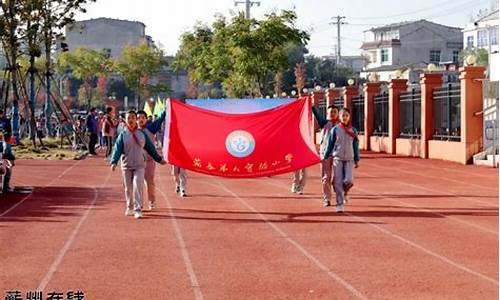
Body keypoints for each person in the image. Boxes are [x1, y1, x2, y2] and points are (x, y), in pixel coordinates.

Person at [110, 111, 166, 219]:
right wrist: (113, 161)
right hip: (126, 166)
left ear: (135, 120)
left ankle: (138, 209)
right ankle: (130, 207)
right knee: (128, 188)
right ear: (125, 120)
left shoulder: (142, 134)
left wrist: (159, 159)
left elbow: (150, 148)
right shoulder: (123, 134)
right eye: (128, 118)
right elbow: (117, 149)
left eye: (132, 117)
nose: (130, 120)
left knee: (138, 185)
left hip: (140, 165)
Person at [323, 108, 360, 213]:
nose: (345, 118)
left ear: (349, 117)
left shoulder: (353, 131)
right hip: (337, 159)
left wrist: (357, 159)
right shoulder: (335, 130)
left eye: (346, 115)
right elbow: (330, 144)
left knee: (349, 181)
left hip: (349, 159)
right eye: (343, 116)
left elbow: (355, 146)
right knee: (338, 182)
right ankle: (339, 203)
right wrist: (326, 156)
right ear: (340, 117)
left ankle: (345, 193)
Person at [137, 109, 166, 209]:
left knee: (150, 181)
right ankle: (139, 203)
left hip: (149, 161)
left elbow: (161, 119)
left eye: (142, 118)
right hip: (137, 162)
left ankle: (151, 201)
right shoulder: (133, 130)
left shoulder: (151, 128)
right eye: (138, 118)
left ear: (146, 119)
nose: (140, 120)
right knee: (138, 183)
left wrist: (167, 108)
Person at [312, 102, 340, 207]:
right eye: (330, 112)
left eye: (334, 112)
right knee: (326, 177)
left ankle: (338, 194)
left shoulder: (342, 125)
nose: (332, 114)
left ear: (338, 113)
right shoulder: (324, 123)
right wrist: (313, 107)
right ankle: (327, 198)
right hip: (325, 154)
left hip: (338, 154)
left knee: (338, 178)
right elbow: (317, 115)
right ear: (327, 114)